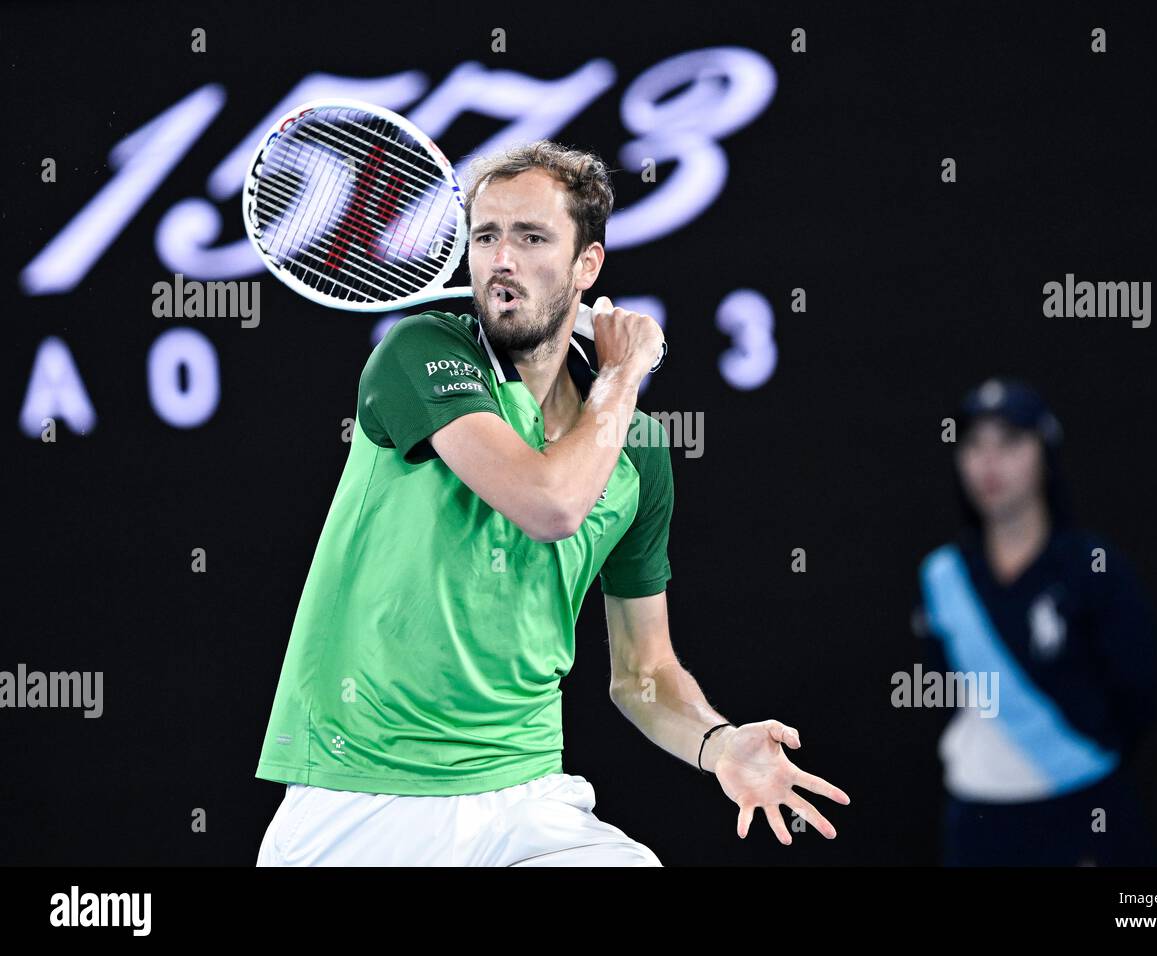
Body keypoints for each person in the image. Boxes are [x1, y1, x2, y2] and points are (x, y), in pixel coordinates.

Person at [254, 140, 848, 865]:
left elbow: (642, 673)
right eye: (484, 236)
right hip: (361, 801)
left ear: (586, 266)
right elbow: (550, 503)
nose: (501, 258)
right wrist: (626, 372)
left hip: (526, 800)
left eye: (531, 237)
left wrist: (716, 741)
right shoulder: (418, 353)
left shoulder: (637, 455)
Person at [912, 377, 1157, 865]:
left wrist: (1078, 757)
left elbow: (1140, 689)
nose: (989, 462)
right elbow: (938, 691)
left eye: (1008, 442)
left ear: (1043, 452)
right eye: (974, 444)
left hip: (1085, 806)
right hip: (980, 819)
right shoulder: (941, 575)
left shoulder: (1092, 563)